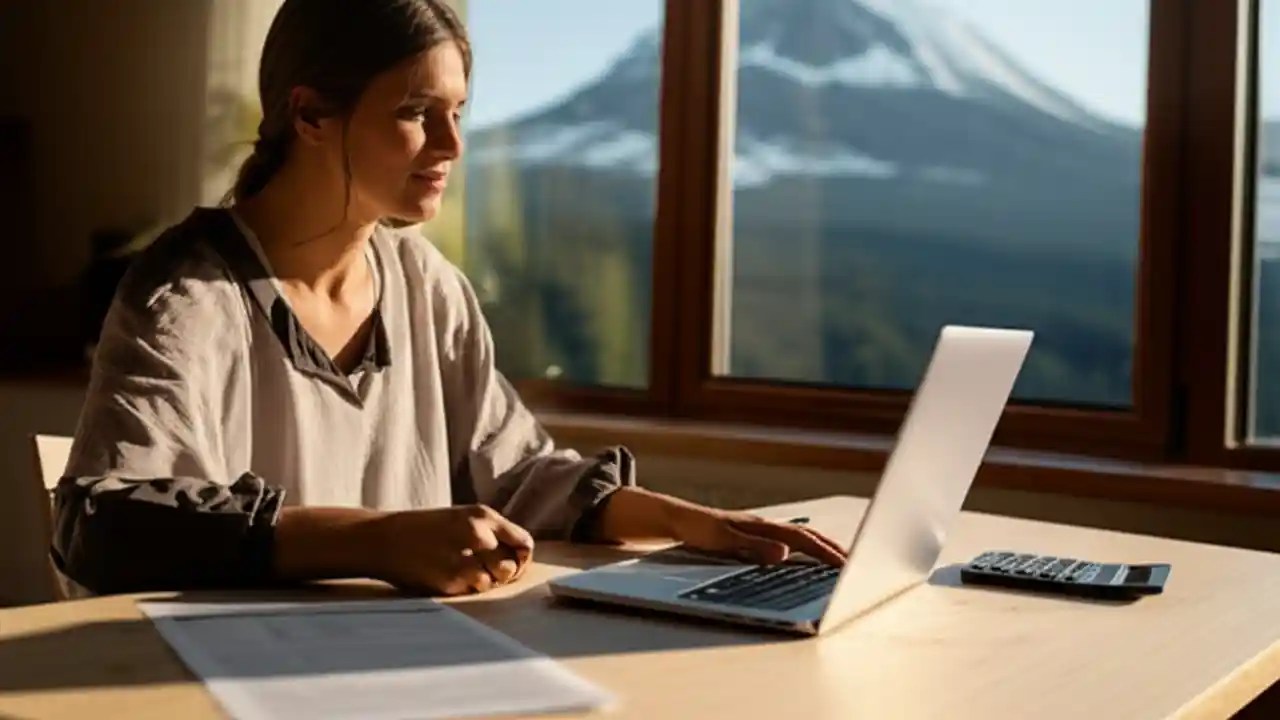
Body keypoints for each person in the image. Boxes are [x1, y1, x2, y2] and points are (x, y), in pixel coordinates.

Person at [51, 0, 845, 597]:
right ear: (310, 114)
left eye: (458, 113)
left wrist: (686, 522)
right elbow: (104, 521)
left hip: (416, 671)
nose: (452, 147)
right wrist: (376, 541)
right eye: (415, 114)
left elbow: (522, 474)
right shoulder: (187, 293)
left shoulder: (428, 285)